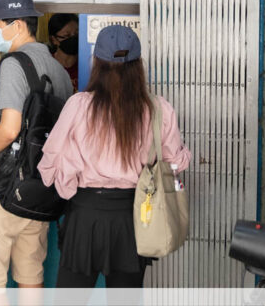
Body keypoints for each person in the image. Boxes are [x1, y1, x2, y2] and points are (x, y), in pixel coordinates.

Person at [38, 25, 192, 289]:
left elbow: (48, 165)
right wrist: (184, 156)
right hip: (134, 217)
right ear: (138, 64)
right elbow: (174, 164)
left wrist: (70, 182)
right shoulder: (159, 109)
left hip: (84, 216)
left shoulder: (78, 106)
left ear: (96, 62)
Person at [0, 0, 73, 290]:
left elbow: (10, 129)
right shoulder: (59, 71)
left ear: (20, 25)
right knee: (30, 274)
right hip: (40, 191)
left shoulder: (14, 63)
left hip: (7, 189)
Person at [46, 13, 80, 90]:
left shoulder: (87, 65)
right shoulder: (46, 65)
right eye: (67, 36)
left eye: (77, 34)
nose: (73, 38)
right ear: (53, 39)